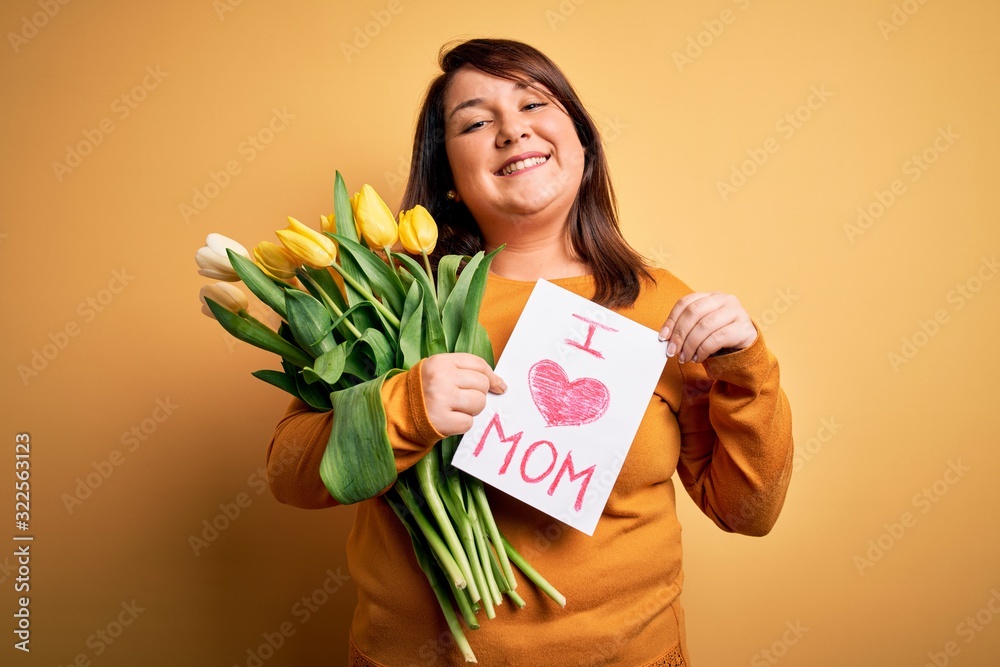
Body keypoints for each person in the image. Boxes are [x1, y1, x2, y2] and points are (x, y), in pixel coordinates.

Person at [266, 38, 793, 666]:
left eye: (534, 103)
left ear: (583, 141)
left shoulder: (663, 306)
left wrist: (746, 367)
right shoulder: (392, 299)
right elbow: (289, 475)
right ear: (447, 176)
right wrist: (405, 406)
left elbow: (747, 511)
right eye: (475, 122)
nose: (513, 130)